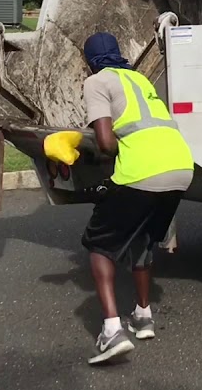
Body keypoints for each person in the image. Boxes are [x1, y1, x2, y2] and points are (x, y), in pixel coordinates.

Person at [78, 32, 194, 365]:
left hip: (143, 171)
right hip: (180, 166)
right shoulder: (139, 79)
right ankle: (143, 316)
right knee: (141, 238)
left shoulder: (97, 81)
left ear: (91, 60)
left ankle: (112, 331)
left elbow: (104, 142)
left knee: (100, 244)